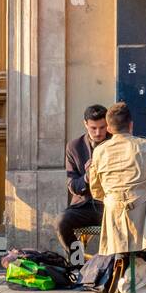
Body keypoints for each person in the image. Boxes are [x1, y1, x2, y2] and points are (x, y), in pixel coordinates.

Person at [86, 103, 146, 280]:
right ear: (131, 124)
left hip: (113, 216)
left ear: (108, 128)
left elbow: (96, 190)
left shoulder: (99, 151)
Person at [56, 105, 113, 259]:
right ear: (85, 124)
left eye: (102, 127)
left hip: (111, 205)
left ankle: (116, 270)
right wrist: (87, 177)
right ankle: (79, 264)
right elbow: (72, 186)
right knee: (62, 221)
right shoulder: (74, 146)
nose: (98, 132)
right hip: (85, 205)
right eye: (93, 128)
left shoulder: (115, 143)